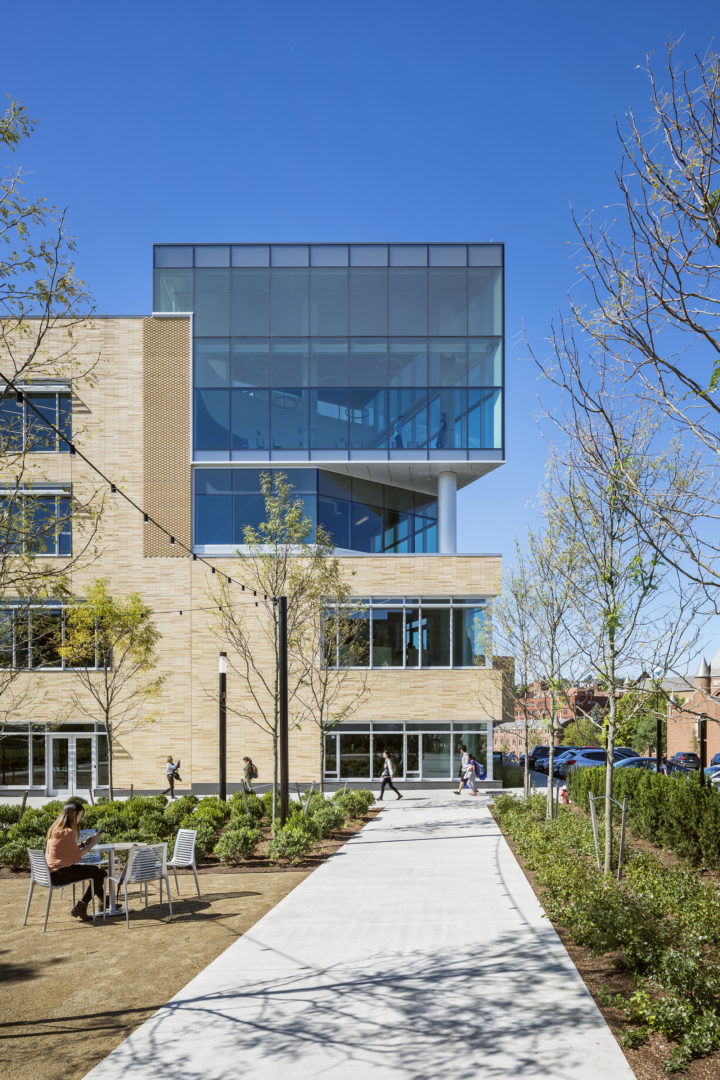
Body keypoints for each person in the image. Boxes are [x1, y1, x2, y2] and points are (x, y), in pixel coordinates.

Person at [45, 801, 106, 922]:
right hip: (60, 874)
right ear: (73, 814)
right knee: (101, 873)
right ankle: (84, 906)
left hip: (52, 874)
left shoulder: (55, 829)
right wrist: (93, 843)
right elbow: (77, 855)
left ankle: (104, 901)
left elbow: (67, 849)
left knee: (96, 872)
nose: (80, 818)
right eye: (80, 815)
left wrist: (84, 843)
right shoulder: (68, 831)